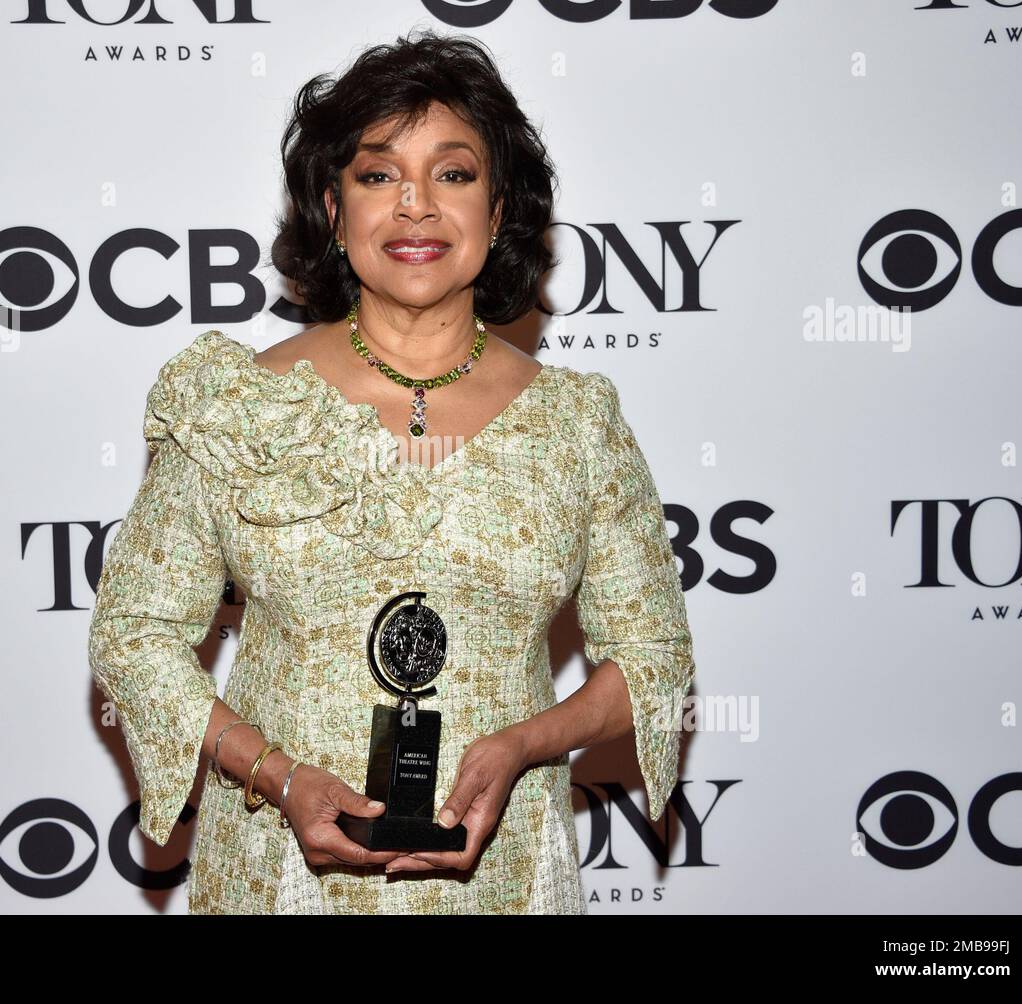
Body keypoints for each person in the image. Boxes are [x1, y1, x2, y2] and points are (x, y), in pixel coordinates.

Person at [87, 29, 695, 915]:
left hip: (504, 870)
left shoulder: (577, 425)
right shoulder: (237, 406)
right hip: (278, 869)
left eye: (453, 174)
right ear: (334, 211)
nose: (415, 206)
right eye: (378, 176)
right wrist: (276, 773)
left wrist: (524, 743)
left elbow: (653, 658)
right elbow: (135, 631)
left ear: (499, 211)